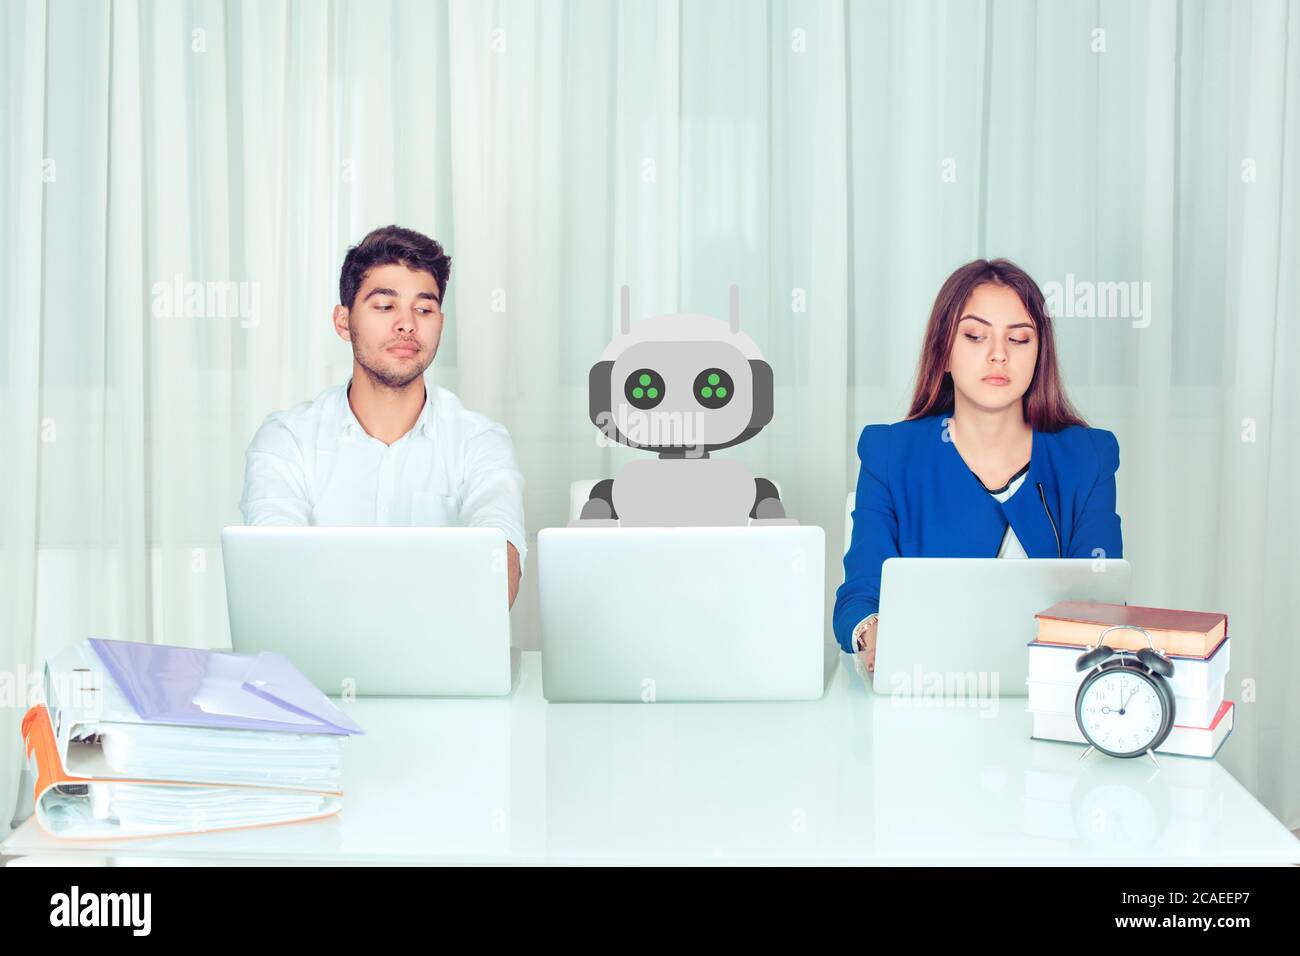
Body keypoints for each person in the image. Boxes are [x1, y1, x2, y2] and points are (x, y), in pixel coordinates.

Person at [833, 258, 1122, 673]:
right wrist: (875, 632)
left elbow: (1102, 601)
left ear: (1039, 356)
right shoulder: (890, 453)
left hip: (1045, 692)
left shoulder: (1088, 457)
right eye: (975, 336)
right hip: (927, 695)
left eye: (1019, 340)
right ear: (944, 353)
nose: (998, 355)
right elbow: (861, 591)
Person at [239, 225, 527, 608]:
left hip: (438, 662)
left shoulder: (480, 441)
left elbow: (497, 570)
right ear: (344, 322)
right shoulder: (286, 440)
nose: (407, 324)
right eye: (385, 306)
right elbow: (276, 575)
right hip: (319, 663)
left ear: (439, 322)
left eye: (424, 309)